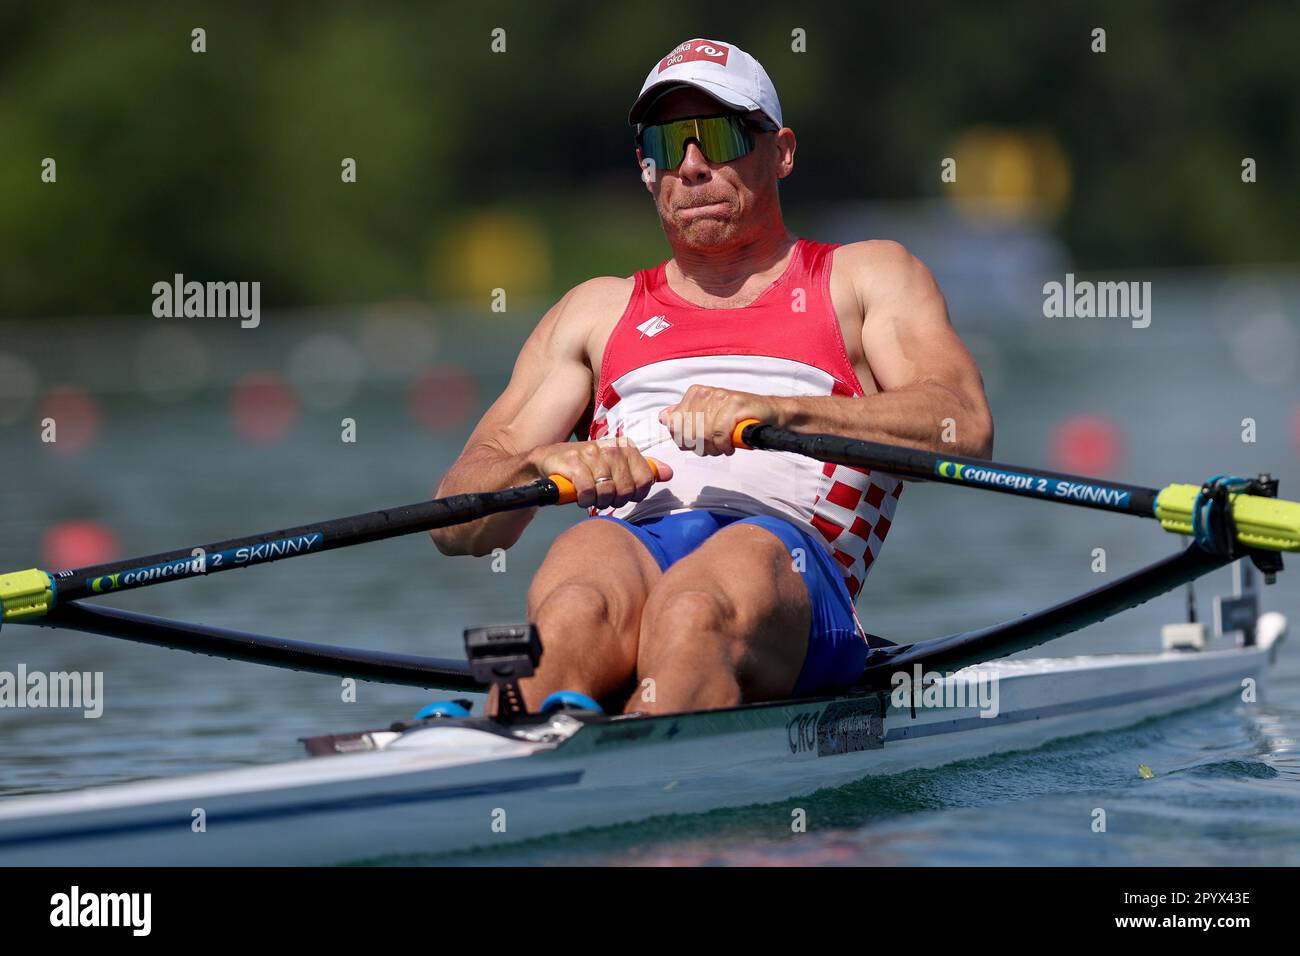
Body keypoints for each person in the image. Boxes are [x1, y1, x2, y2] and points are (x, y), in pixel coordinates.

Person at [430, 38, 993, 715]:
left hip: (788, 570)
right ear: (646, 170)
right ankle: (501, 749)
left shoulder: (863, 278)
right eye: (668, 146)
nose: (692, 167)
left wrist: (777, 414)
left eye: (719, 136)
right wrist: (533, 469)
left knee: (695, 606)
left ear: (780, 150)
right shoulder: (594, 311)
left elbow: (964, 425)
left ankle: (637, 763)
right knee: (576, 599)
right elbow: (455, 523)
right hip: (629, 548)